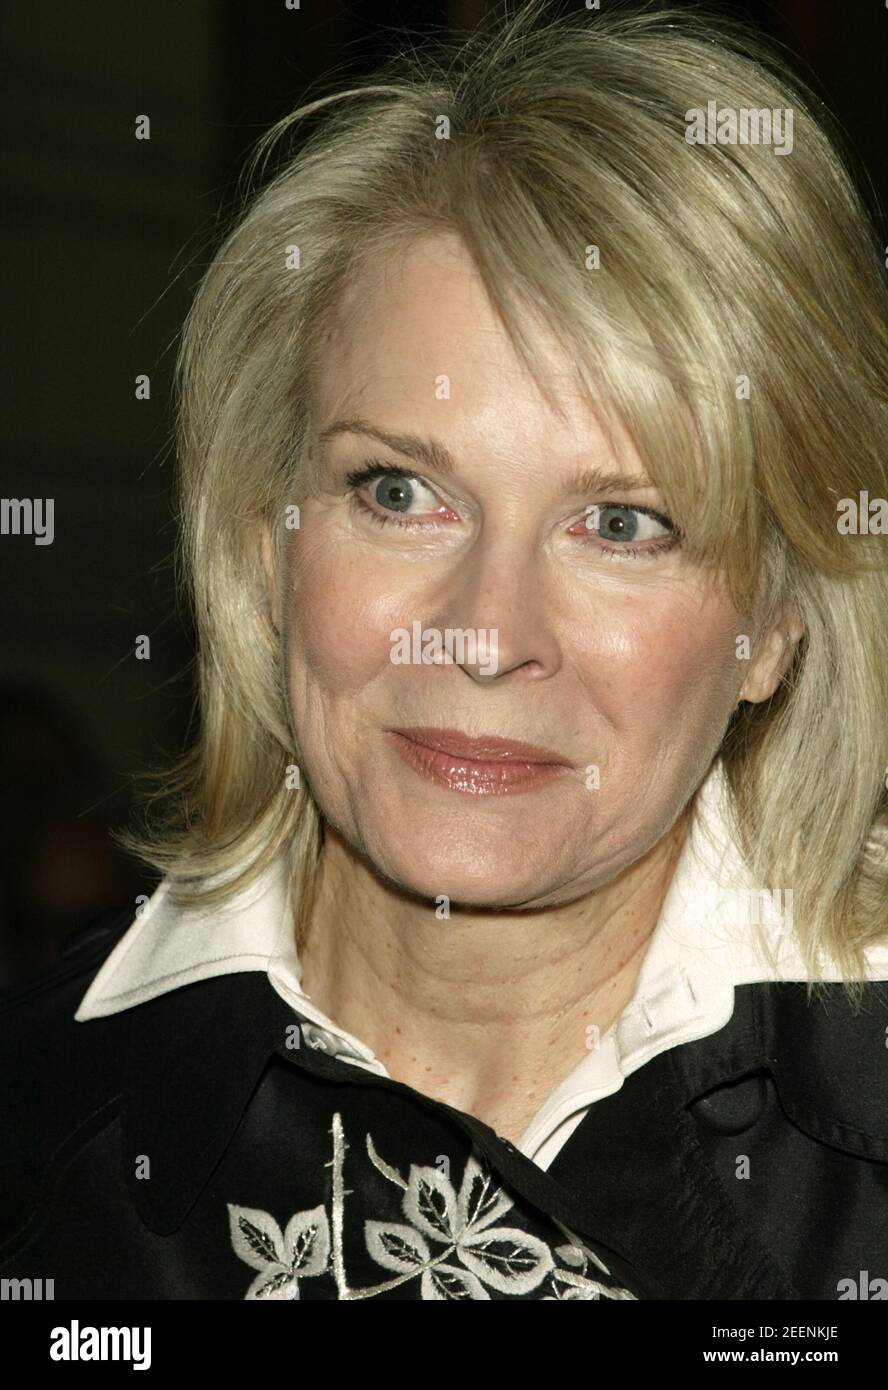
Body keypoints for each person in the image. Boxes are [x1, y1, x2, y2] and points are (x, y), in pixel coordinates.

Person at [2, 0, 887, 1302]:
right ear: (264, 534)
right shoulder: (38, 1142)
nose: (484, 633)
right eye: (400, 494)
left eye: (623, 521)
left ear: (779, 620)